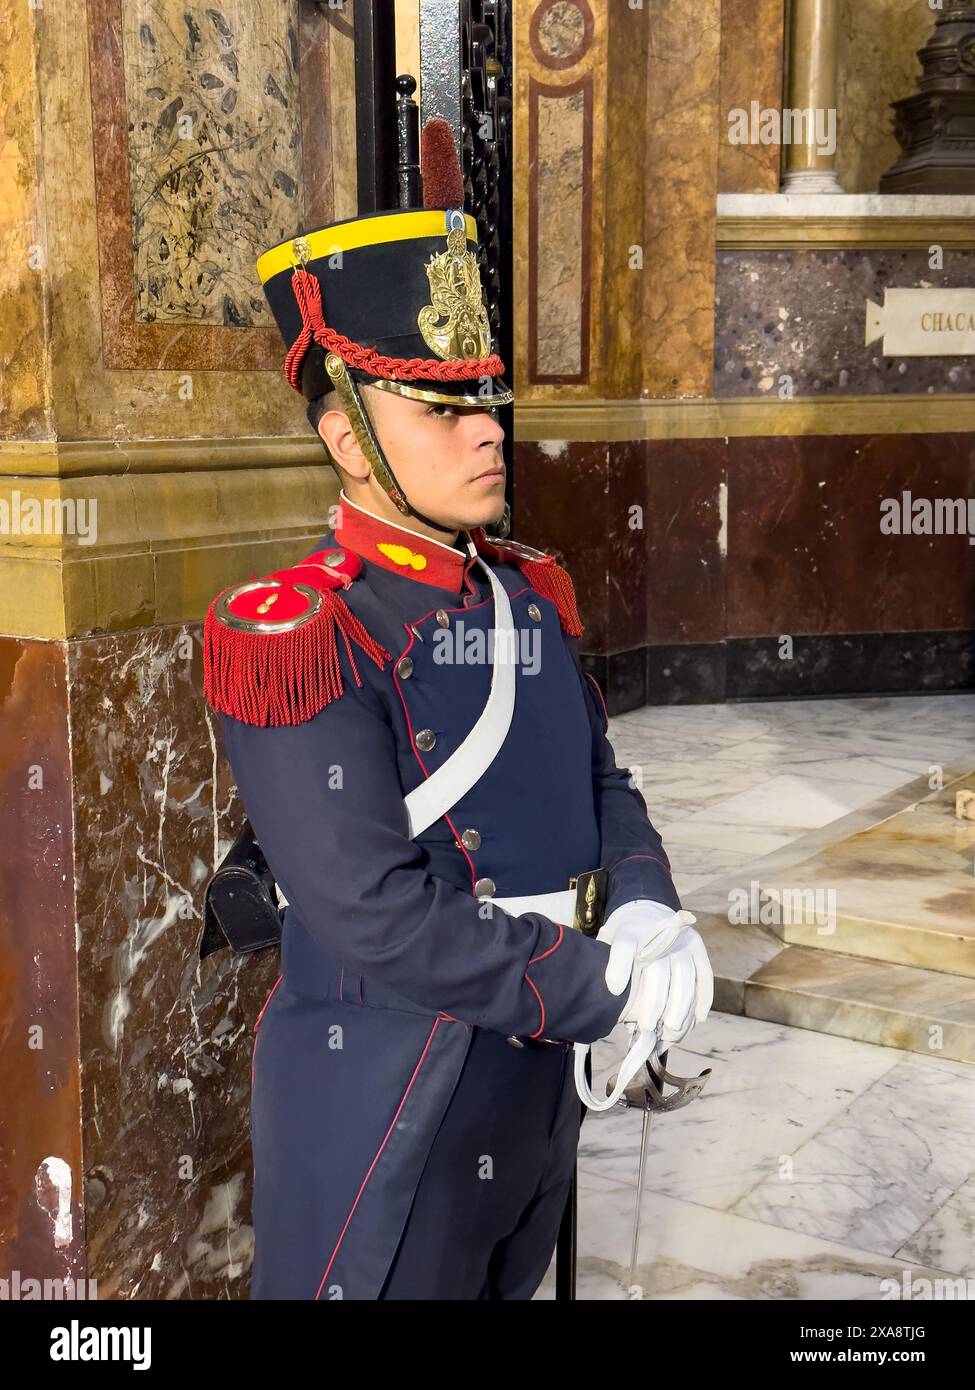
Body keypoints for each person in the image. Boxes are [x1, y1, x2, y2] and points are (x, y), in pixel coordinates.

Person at [203, 119, 712, 1300]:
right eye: (441, 408)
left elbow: (600, 778)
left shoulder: (526, 589)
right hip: (394, 1093)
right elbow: (374, 915)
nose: (490, 428)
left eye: (486, 398)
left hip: (535, 1081)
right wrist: (603, 985)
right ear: (348, 437)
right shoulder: (297, 630)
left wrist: (645, 906)